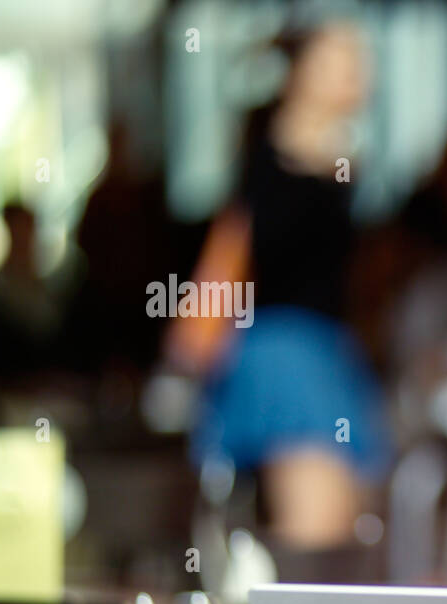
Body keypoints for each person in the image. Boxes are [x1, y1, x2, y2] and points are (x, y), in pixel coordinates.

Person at [169, 21, 393, 549]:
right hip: (286, 358)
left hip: (319, 352)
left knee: (332, 533)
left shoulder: (335, 161)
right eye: (344, 62)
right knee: (315, 536)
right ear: (303, 75)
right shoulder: (281, 158)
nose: (362, 76)